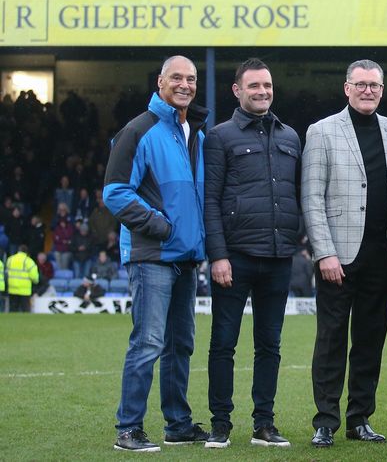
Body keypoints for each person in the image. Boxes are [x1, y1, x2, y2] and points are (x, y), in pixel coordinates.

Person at [301, 59, 387, 447]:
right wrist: (324, 253)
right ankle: (325, 421)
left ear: (382, 90)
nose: (368, 91)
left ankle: (359, 418)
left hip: (384, 256)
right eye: (361, 84)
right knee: (330, 340)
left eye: (375, 86)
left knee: (370, 341)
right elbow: (311, 198)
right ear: (346, 87)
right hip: (338, 257)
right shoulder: (321, 131)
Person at [104, 55, 210, 452]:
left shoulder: (195, 133)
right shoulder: (138, 130)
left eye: (191, 79)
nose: (185, 84)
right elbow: (114, 193)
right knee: (148, 342)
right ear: (160, 81)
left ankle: (177, 424)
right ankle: (128, 428)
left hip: (186, 258)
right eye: (177, 78)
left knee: (180, 344)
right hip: (152, 255)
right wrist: (161, 226)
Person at [202, 58, 301, 449]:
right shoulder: (219, 137)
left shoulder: (291, 136)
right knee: (223, 342)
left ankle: (264, 423)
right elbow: (210, 200)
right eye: (254, 86)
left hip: (279, 257)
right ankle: (220, 424)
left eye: (268, 85)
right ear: (237, 91)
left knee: (270, 345)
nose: (262, 92)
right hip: (235, 257)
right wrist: (218, 255)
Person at [3, 244, 39, 312]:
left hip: (12, 289)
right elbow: (34, 277)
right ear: (26, 252)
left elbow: (6, 273)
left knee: (13, 310)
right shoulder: (29, 261)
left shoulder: (10, 259)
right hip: (24, 290)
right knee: (25, 311)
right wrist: (36, 282)